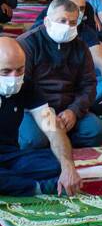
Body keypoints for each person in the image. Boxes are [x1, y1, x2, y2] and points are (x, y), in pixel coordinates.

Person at [16, 0, 102, 149]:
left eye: (72, 23)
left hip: (67, 108)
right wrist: (47, 114)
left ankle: (56, 138)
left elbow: (89, 84)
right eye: (62, 21)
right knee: (33, 141)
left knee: (97, 134)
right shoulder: (28, 43)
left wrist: (73, 111)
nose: (68, 26)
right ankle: (53, 138)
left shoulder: (80, 46)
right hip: (35, 109)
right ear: (47, 21)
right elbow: (22, 86)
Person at [0, 36, 82, 196]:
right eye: (6, 71)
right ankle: (35, 187)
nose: (14, 77)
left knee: (55, 164)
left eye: (20, 70)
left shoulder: (26, 86)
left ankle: (14, 184)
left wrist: (67, 166)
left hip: (11, 155)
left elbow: (52, 129)